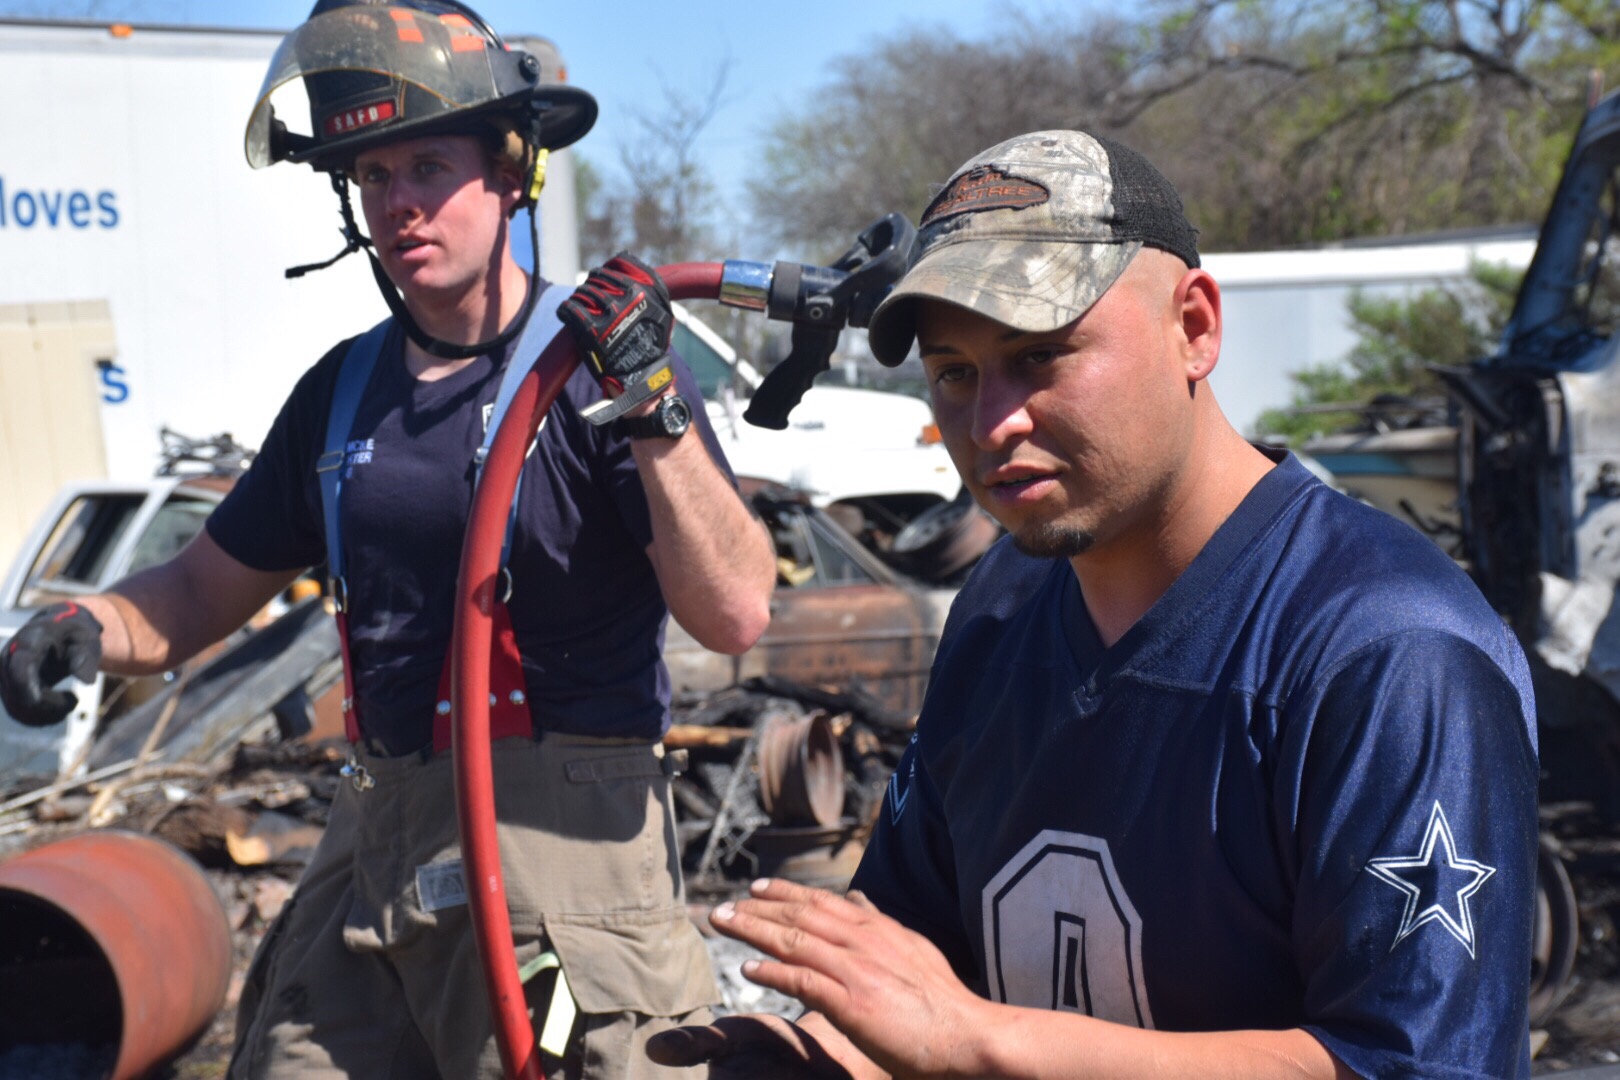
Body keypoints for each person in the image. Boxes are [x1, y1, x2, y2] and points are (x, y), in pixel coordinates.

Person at [647, 130, 1540, 1079]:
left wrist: (987, 1044)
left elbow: (1415, 1065)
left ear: (1193, 329)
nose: (992, 422)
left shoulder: (1387, 651)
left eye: (1041, 355)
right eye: (954, 372)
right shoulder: (1001, 606)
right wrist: (808, 1053)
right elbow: (912, 965)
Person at [0, 1, 774, 1077]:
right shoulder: (341, 394)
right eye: (372, 178)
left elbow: (736, 611)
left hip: (567, 855)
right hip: (377, 842)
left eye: (428, 167)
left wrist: (653, 402)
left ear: (513, 173)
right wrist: (82, 625)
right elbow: (198, 590)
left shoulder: (609, 372)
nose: (399, 205)